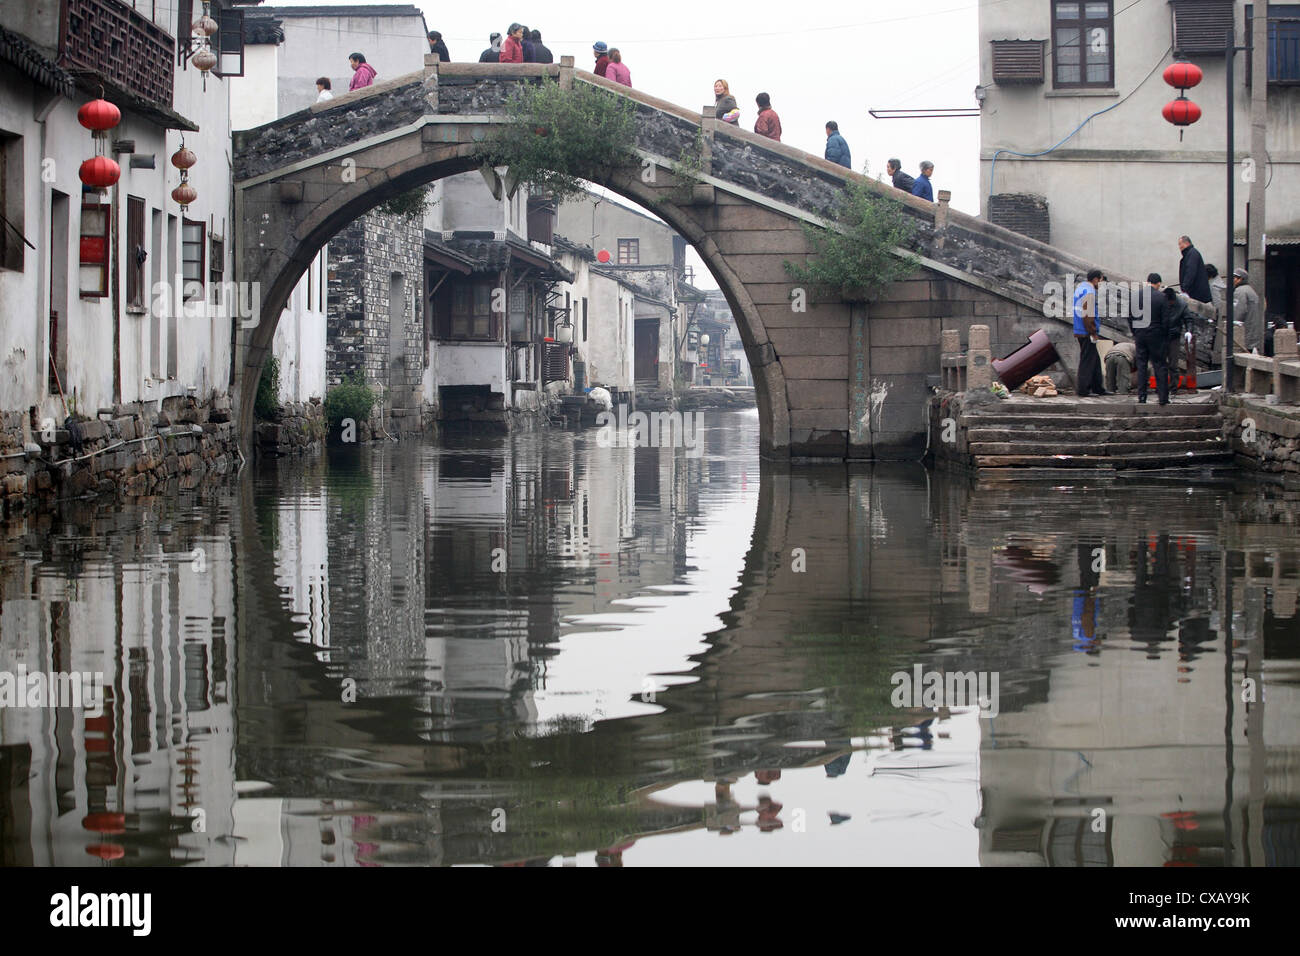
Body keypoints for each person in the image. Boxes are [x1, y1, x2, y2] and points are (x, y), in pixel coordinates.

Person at [1132, 274, 1170, 405]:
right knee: (1159, 365)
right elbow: (1166, 320)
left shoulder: (1136, 296)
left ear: (1147, 282)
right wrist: (1164, 335)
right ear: (1158, 283)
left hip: (1140, 333)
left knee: (1141, 365)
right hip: (1156, 334)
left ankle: (1142, 397)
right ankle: (1163, 398)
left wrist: (1135, 331)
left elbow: (1129, 316)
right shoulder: (1162, 297)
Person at [1073, 269, 1107, 397]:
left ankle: (1098, 387)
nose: (1101, 284)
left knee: (1094, 359)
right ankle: (1083, 390)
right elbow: (1088, 314)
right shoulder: (1089, 291)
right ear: (1095, 279)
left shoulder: (1081, 288)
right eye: (1101, 280)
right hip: (1086, 331)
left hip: (1080, 329)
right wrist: (1092, 331)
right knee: (1087, 361)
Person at [1232, 268, 1264, 353]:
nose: (1232, 280)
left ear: (1240, 279)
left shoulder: (1239, 291)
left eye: (1234, 277)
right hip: (1254, 329)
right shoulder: (1250, 290)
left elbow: (1239, 311)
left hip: (1245, 330)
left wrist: (1233, 323)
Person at [1178, 235, 1212, 304]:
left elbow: (1190, 273)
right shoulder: (1190, 254)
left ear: (1186, 243)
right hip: (1196, 294)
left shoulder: (1192, 254)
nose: (1179, 247)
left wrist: (1184, 289)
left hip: (1197, 296)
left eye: (1180, 244)